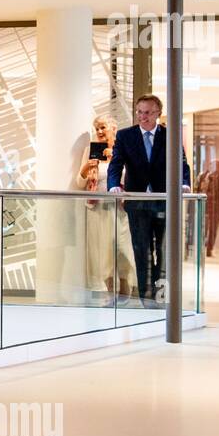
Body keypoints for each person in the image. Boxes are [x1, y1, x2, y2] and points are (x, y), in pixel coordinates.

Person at [107, 94, 192, 306]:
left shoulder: (169, 135)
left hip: (164, 200)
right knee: (141, 249)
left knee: (163, 250)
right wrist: (113, 185)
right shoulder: (126, 136)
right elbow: (115, 164)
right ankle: (146, 296)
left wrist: (184, 182)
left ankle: (161, 294)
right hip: (137, 202)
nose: (142, 117)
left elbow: (182, 164)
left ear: (157, 114)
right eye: (140, 112)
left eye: (147, 112)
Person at [79, 116, 133, 300]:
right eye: (97, 129)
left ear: (113, 128)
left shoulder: (124, 148)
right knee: (104, 252)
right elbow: (80, 182)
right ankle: (111, 296)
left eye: (103, 127)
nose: (100, 132)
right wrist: (86, 168)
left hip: (120, 208)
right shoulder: (91, 150)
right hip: (98, 208)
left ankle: (126, 290)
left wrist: (115, 159)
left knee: (121, 249)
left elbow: (133, 178)